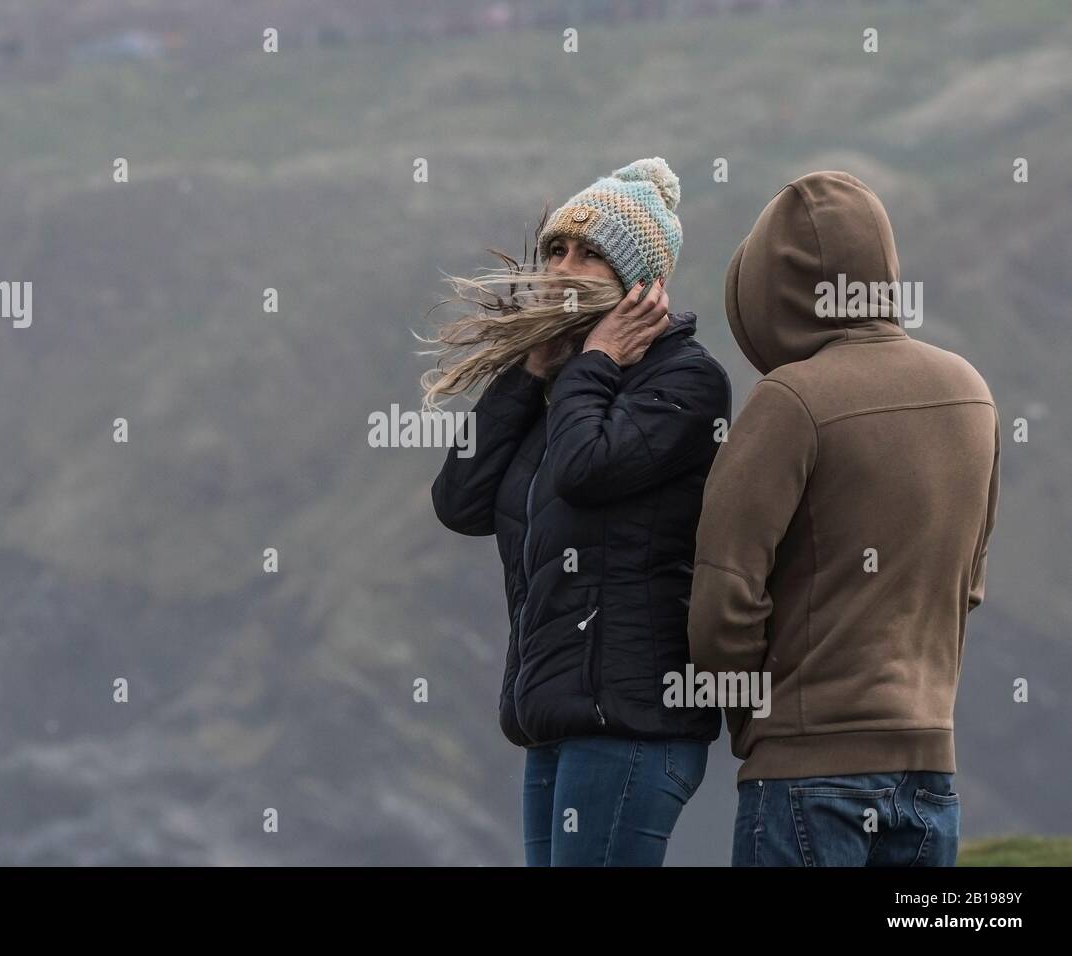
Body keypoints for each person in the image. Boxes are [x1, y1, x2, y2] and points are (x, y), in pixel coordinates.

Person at [688, 170, 1001, 867]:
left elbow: (722, 604)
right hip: (930, 770)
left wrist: (759, 724)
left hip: (805, 773)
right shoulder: (971, 395)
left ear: (771, 288)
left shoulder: (790, 401)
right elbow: (967, 585)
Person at [426, 158, 731, 865]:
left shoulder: (685, 380)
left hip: (630, 725)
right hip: (554, 719)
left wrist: (590, 364)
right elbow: (460, 502)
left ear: (641, 282)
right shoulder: (560, 389)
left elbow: (588, 472)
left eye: (591, 254)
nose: (563, 268)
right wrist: (534, 370)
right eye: (556, 250)